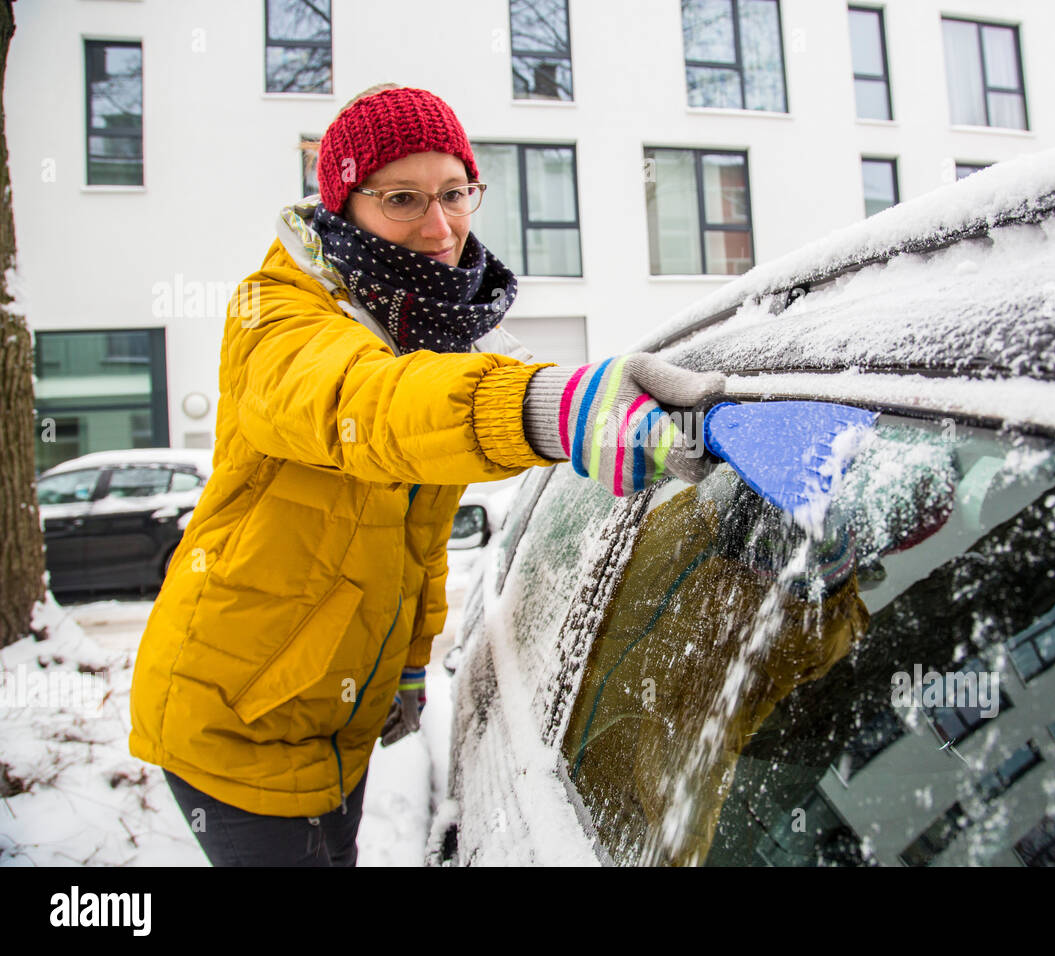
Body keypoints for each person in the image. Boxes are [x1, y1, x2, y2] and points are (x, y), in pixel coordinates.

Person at [127, 84, 725, 866]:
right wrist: (552, 408)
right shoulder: (276, 317)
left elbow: (417, 540)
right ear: (346, 206)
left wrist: (409, 664)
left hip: (332, 712)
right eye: (402, 199)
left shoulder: (435, 331)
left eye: (455, 194)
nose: (440, 228)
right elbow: (368, 407)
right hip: (236, 720)